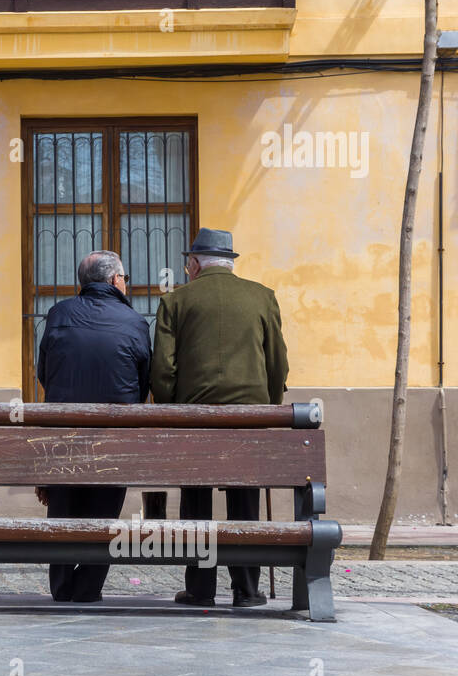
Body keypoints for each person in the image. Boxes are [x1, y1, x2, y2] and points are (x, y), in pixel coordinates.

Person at [151, 228, 290, 607]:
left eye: (187, 264)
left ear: (195, 264)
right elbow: (277, 362)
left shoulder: (175, 301)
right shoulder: (263, 297)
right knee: (245, 503)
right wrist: (269, 406)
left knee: (196, 503)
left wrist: (171, 411)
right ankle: (246, 589)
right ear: (230, 262)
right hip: (249, 418)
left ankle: (200, 588)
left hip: (195, 419)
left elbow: (163, 369)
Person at [35, 250, 151, 603]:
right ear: (115, 280)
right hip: (113, 438)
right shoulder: (134, 322)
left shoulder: (58, 314)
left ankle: (61, 587)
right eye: (125, 278)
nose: (126, 283)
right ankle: (87, 588)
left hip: (62, 433)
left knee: (64, 507)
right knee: (103, 511)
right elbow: (143, 382)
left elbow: (44, 372)